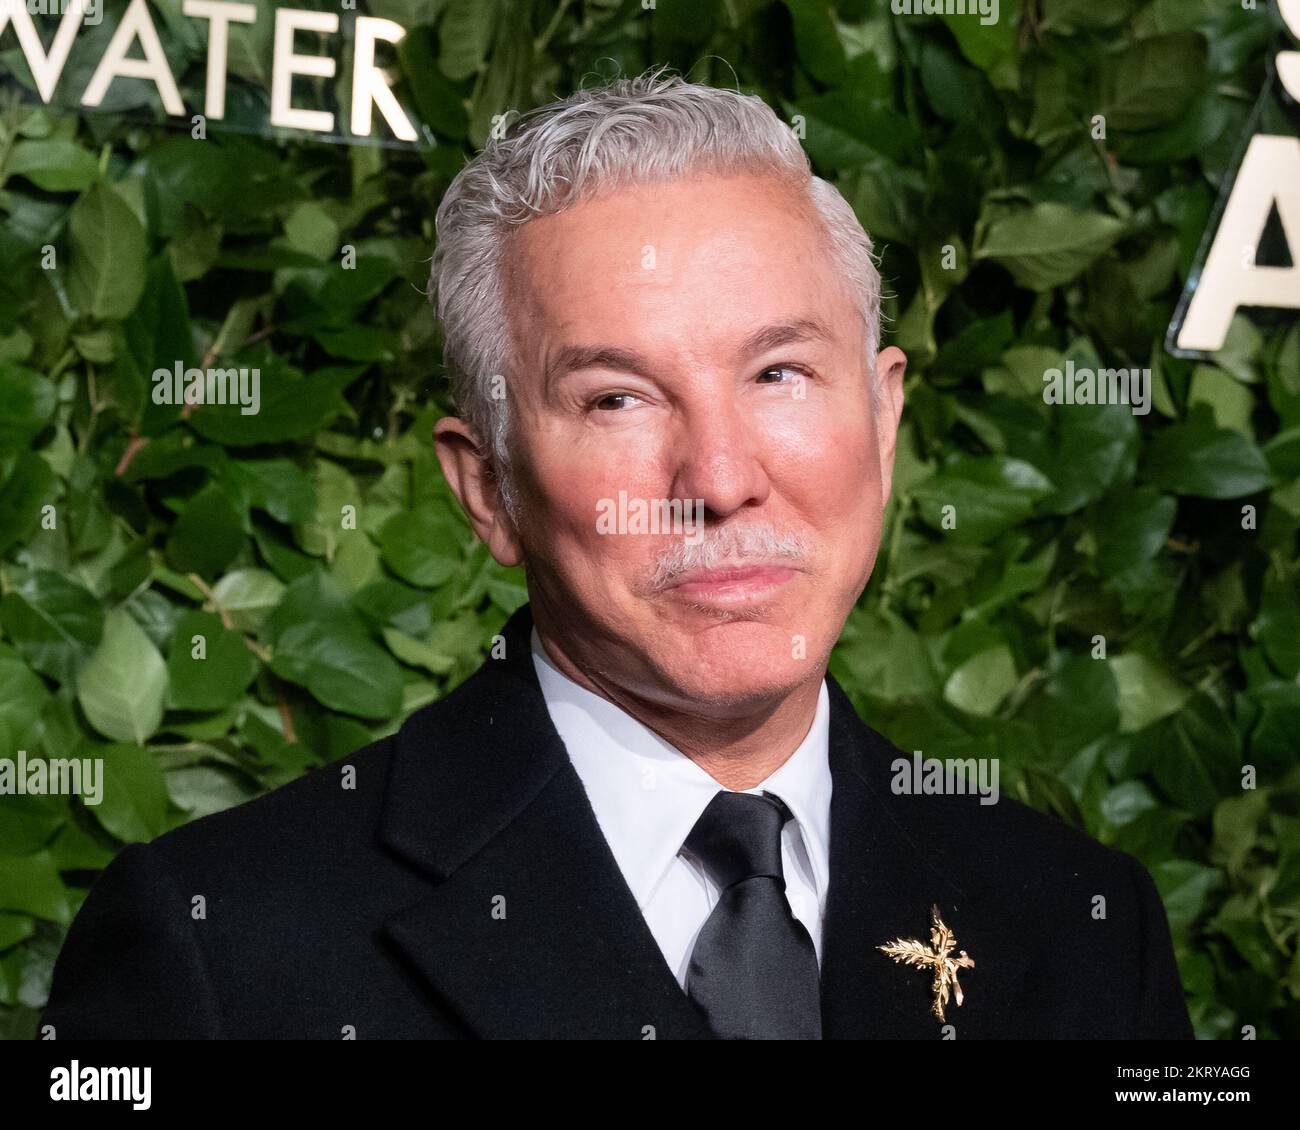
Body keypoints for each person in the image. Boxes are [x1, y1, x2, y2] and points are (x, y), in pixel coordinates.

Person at [40, 69, 1193, 1040]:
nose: (720, 477)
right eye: (616, 398)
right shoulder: (221, 948)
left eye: (778, 372)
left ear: (883, 426)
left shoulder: (1081, 924)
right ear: (487, 488)